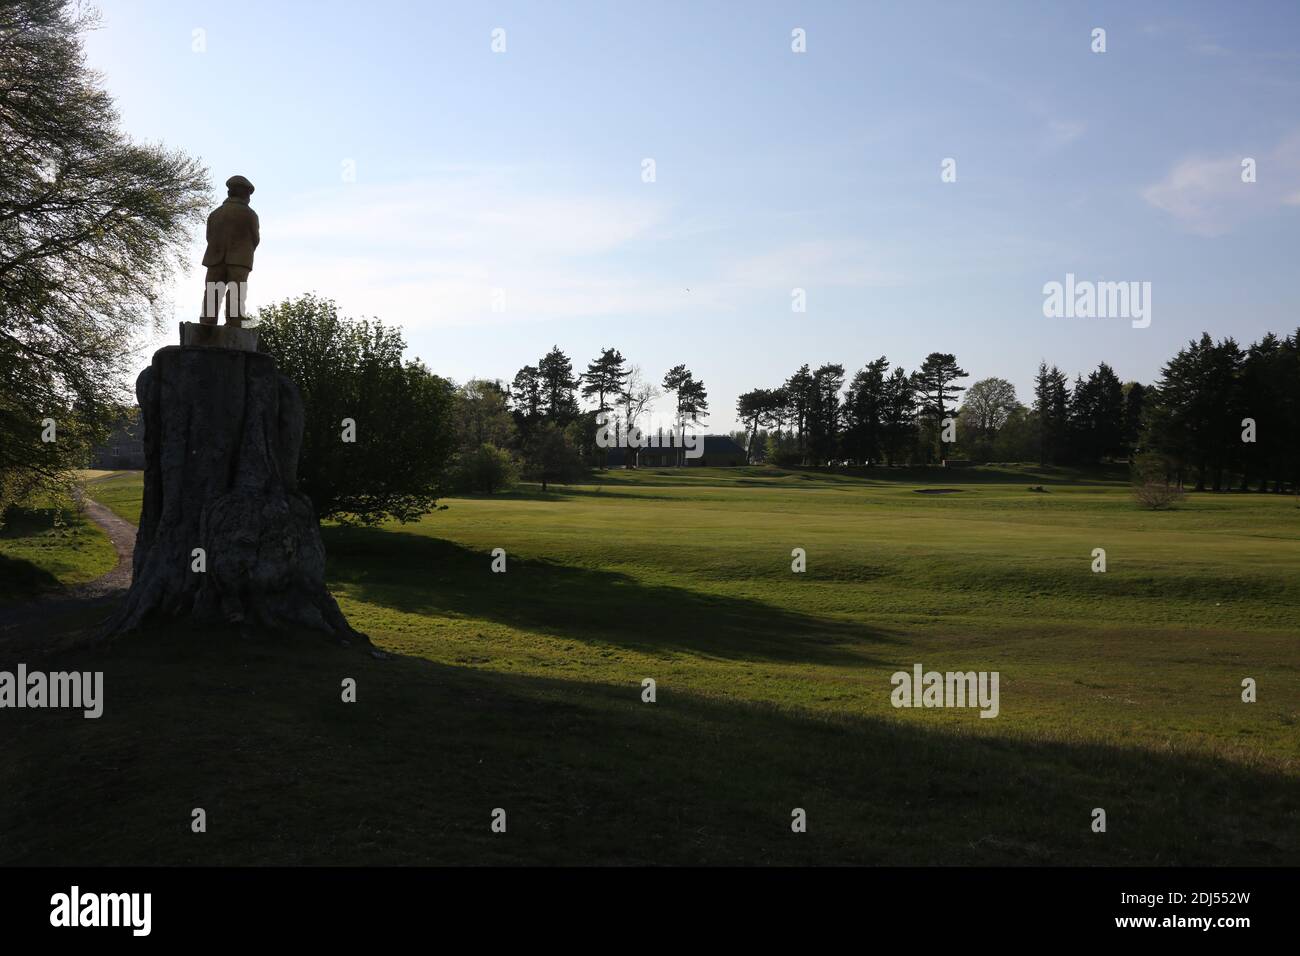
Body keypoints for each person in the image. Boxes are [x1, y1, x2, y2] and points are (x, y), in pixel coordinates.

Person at [200, 175, 260, 326]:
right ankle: (234, 323)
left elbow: (209, 236)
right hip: (239, 260)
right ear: (245, 195)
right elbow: (255, 239)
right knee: (236, 292)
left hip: (215, 259)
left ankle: (207, 322)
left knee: (212, 291)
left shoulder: (215, 214)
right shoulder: (250, 214)